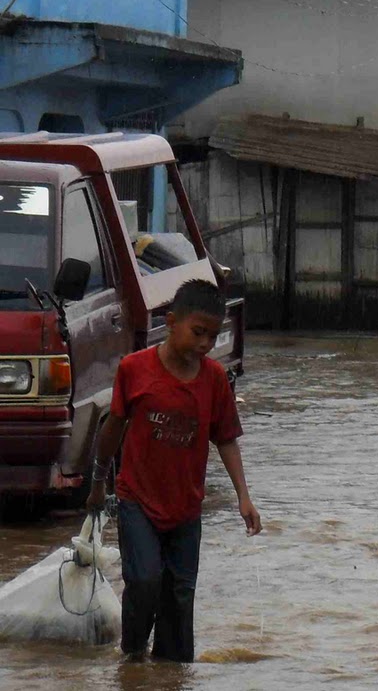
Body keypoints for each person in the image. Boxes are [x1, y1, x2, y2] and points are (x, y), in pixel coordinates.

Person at [86, 280, 261, 663]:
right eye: (198, 332)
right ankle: (132, 655)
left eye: (212, 337)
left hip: (186, 509)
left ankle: (170, 674)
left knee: (180, 597)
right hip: (138, 502)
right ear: (170, 323)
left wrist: (243, 497)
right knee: (145, 580)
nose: (205, 344)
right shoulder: (135, 370)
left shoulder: (214, 380)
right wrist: (99, 482)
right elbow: (112, 428)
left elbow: (226, 439)